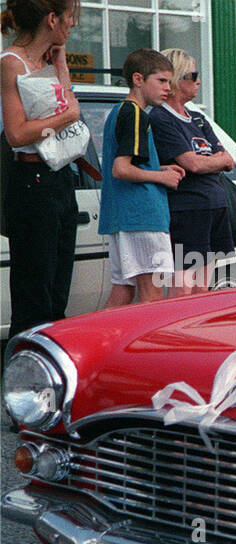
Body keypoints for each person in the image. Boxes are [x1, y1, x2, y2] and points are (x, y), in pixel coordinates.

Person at [1, 0, 82, 337]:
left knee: (58, 291)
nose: (73, 25)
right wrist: (66, 118)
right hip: (32, 179)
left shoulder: (45, 61)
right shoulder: (11, 63)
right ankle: (24, 376)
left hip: (60, 175)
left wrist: (61, 61)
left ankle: (51, 379)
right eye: (71, 17)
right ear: (52, 19)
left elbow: (67, 101)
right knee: (35, 292)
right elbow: (17, 132)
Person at [100, 48, 184, 307]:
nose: (167, 88)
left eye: (169, 82)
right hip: (142, 217)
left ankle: (103, 345)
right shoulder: (136, 114)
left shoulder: (118, 112)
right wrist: (163, 179)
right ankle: (145, 348)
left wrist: (160, 169)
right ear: (138, 79)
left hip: (121, 217)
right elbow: (121, 169)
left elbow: (129, 164)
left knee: (123, 289)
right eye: (161, 81)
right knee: (152, 295)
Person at [149, 47, 235, 297]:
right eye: (193, 75)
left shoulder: (198, 119)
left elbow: (228, 159)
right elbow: (192, 164)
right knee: (183, 284)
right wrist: (213, 161)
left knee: (204, 285)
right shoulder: (161, 118)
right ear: (176, 79)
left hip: (215, 206)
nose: (198, 81)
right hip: (187, 209)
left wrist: (213, 160)